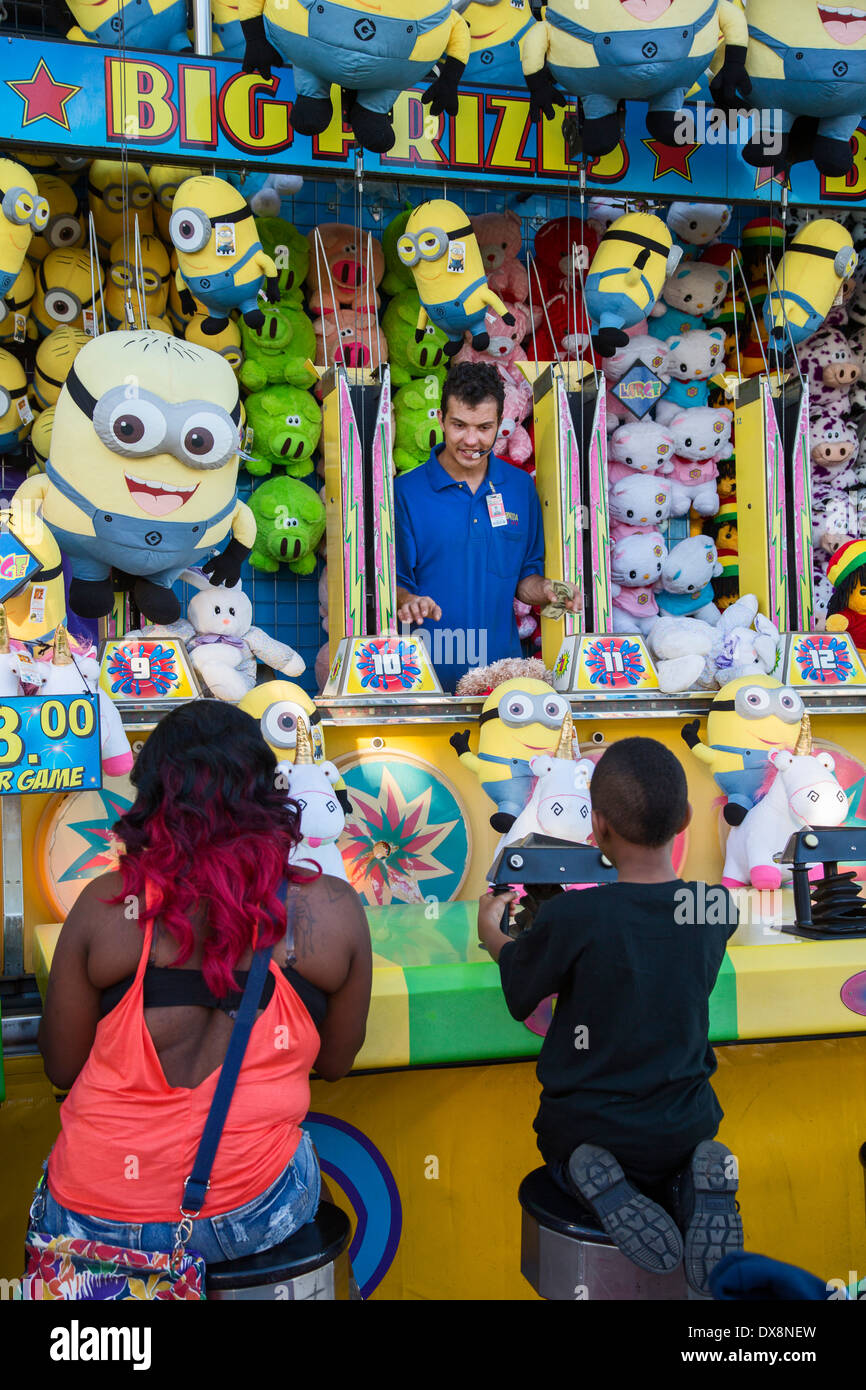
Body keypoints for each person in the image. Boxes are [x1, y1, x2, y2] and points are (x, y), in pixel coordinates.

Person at [35, 700, 372, 1266]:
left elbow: (60, 1069)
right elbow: (336, 1064)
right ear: (268, 795)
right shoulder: (332, 911)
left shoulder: (105, 907)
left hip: (92, 1213)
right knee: (303, 1160)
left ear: (151, 801)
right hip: (247, 1211)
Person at [477, 736, 743, 1295]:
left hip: (590, 1125)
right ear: (686, 819)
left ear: (597, 828)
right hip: (685, 1122)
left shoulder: (576, 914)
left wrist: (495, 938)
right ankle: (693, 1181)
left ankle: (593, 1176)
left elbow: (522, 991)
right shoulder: (715, 907)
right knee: (676, 1158)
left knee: (570, 1150)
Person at [394, 361, 579, 692]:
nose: (471, 440)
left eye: (484, 427)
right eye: (459, 425)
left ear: (499, 424)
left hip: (502, 682)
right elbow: (394, 586)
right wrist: (409, 600)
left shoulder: (520, 487)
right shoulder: (406, 492)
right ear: (440, 419)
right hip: (424, 680)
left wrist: (549, 590)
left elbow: (526, 578)